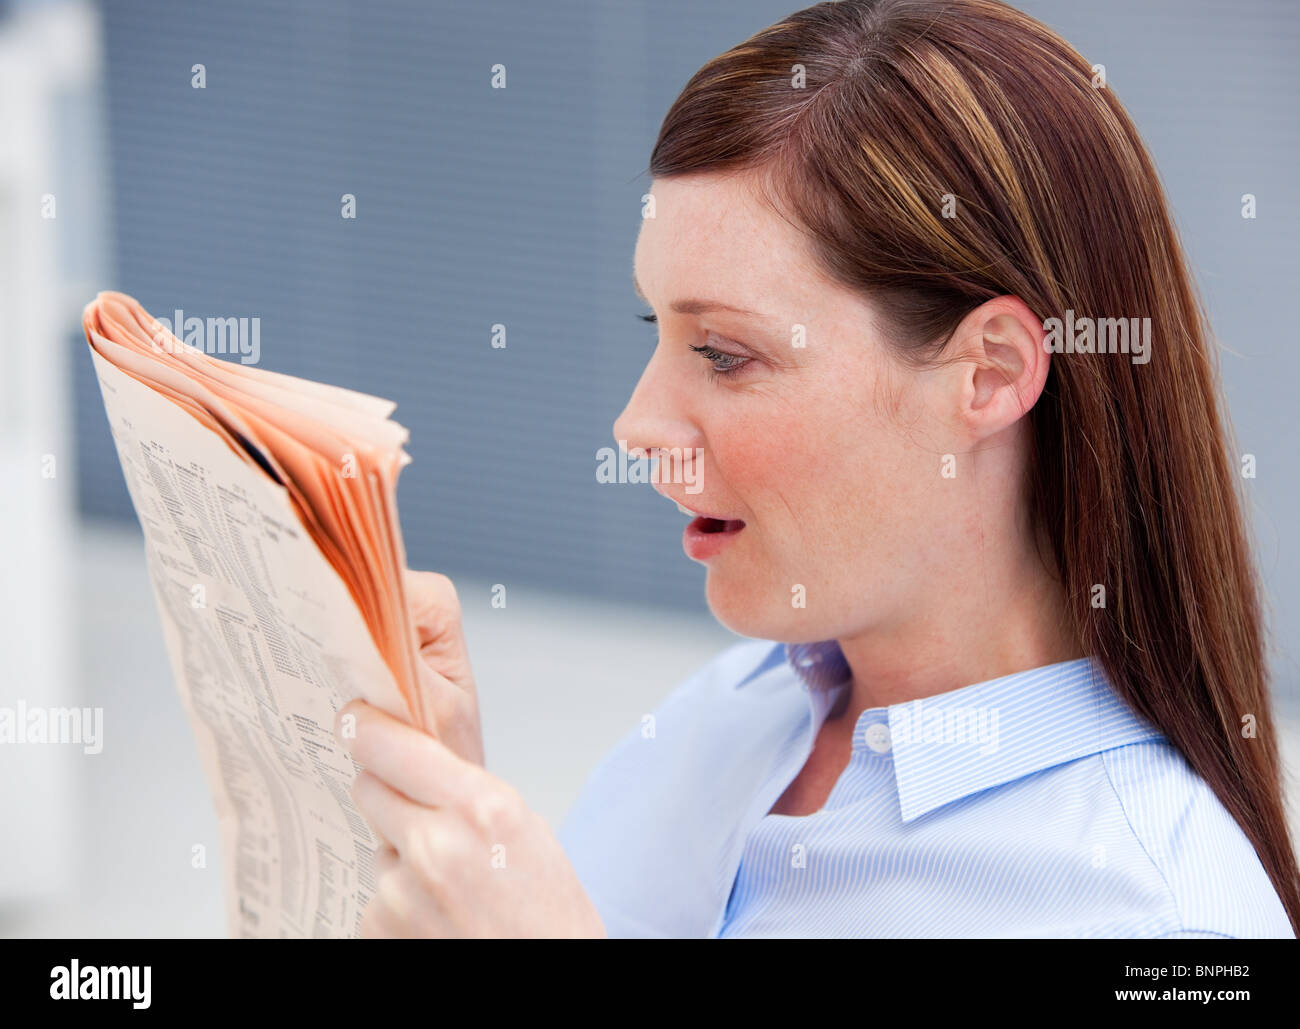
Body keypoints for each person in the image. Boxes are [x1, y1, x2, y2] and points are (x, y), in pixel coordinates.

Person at [334, 0, 1299, 937]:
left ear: (990, 373)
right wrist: (439, 822)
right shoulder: (728, 717)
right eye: (654, 327)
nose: (635, 423)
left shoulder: (1161, 919)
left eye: (723, 353)